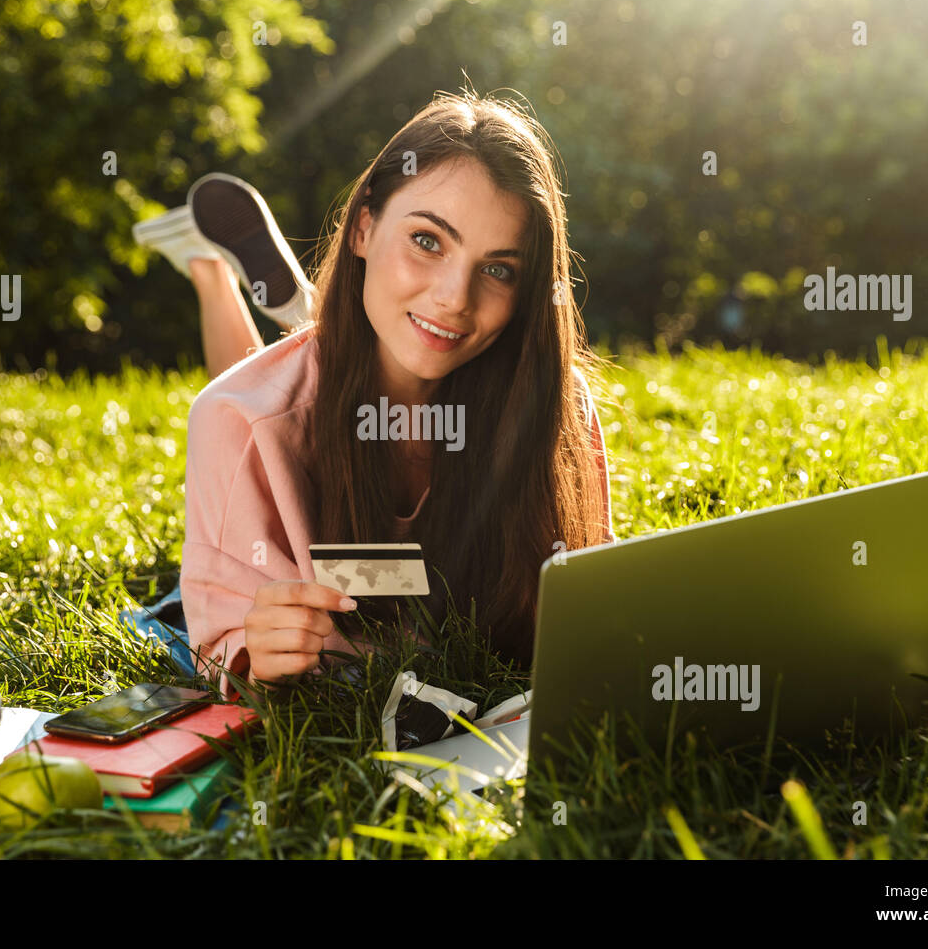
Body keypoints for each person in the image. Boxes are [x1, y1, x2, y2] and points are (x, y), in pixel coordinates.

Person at [130, 87, 615, 696]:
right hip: (259, 477)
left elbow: (585, 593)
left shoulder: (553, 403)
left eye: (498, 270)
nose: (455, 297)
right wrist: (259, 654)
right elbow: (225, 645)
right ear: (362, 226)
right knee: (177, 598)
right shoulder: (238, 420)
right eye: (427, 240)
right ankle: (209, 269)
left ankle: (262, 293)